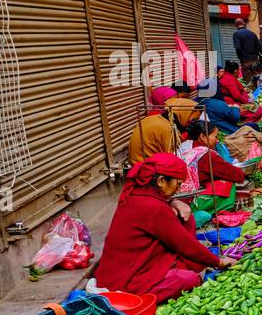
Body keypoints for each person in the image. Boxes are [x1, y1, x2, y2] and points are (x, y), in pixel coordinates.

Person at [94, 153, 235, 302]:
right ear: (161, 181)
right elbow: (185, 245)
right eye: (178, 184)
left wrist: (173, 202)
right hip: (126, 282)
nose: (179, 189)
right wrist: (218, 261)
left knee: (185, 217)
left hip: (119, 271)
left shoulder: (137, 194)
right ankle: (139, 298)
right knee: (188, 279)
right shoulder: (153, 207)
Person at [177, 121, 246, 189]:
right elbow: (238, 176)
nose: (217, 140)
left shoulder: (183, 147)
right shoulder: (205, 155)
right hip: (195, 194)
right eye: (215, 136)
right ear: (203, 136)